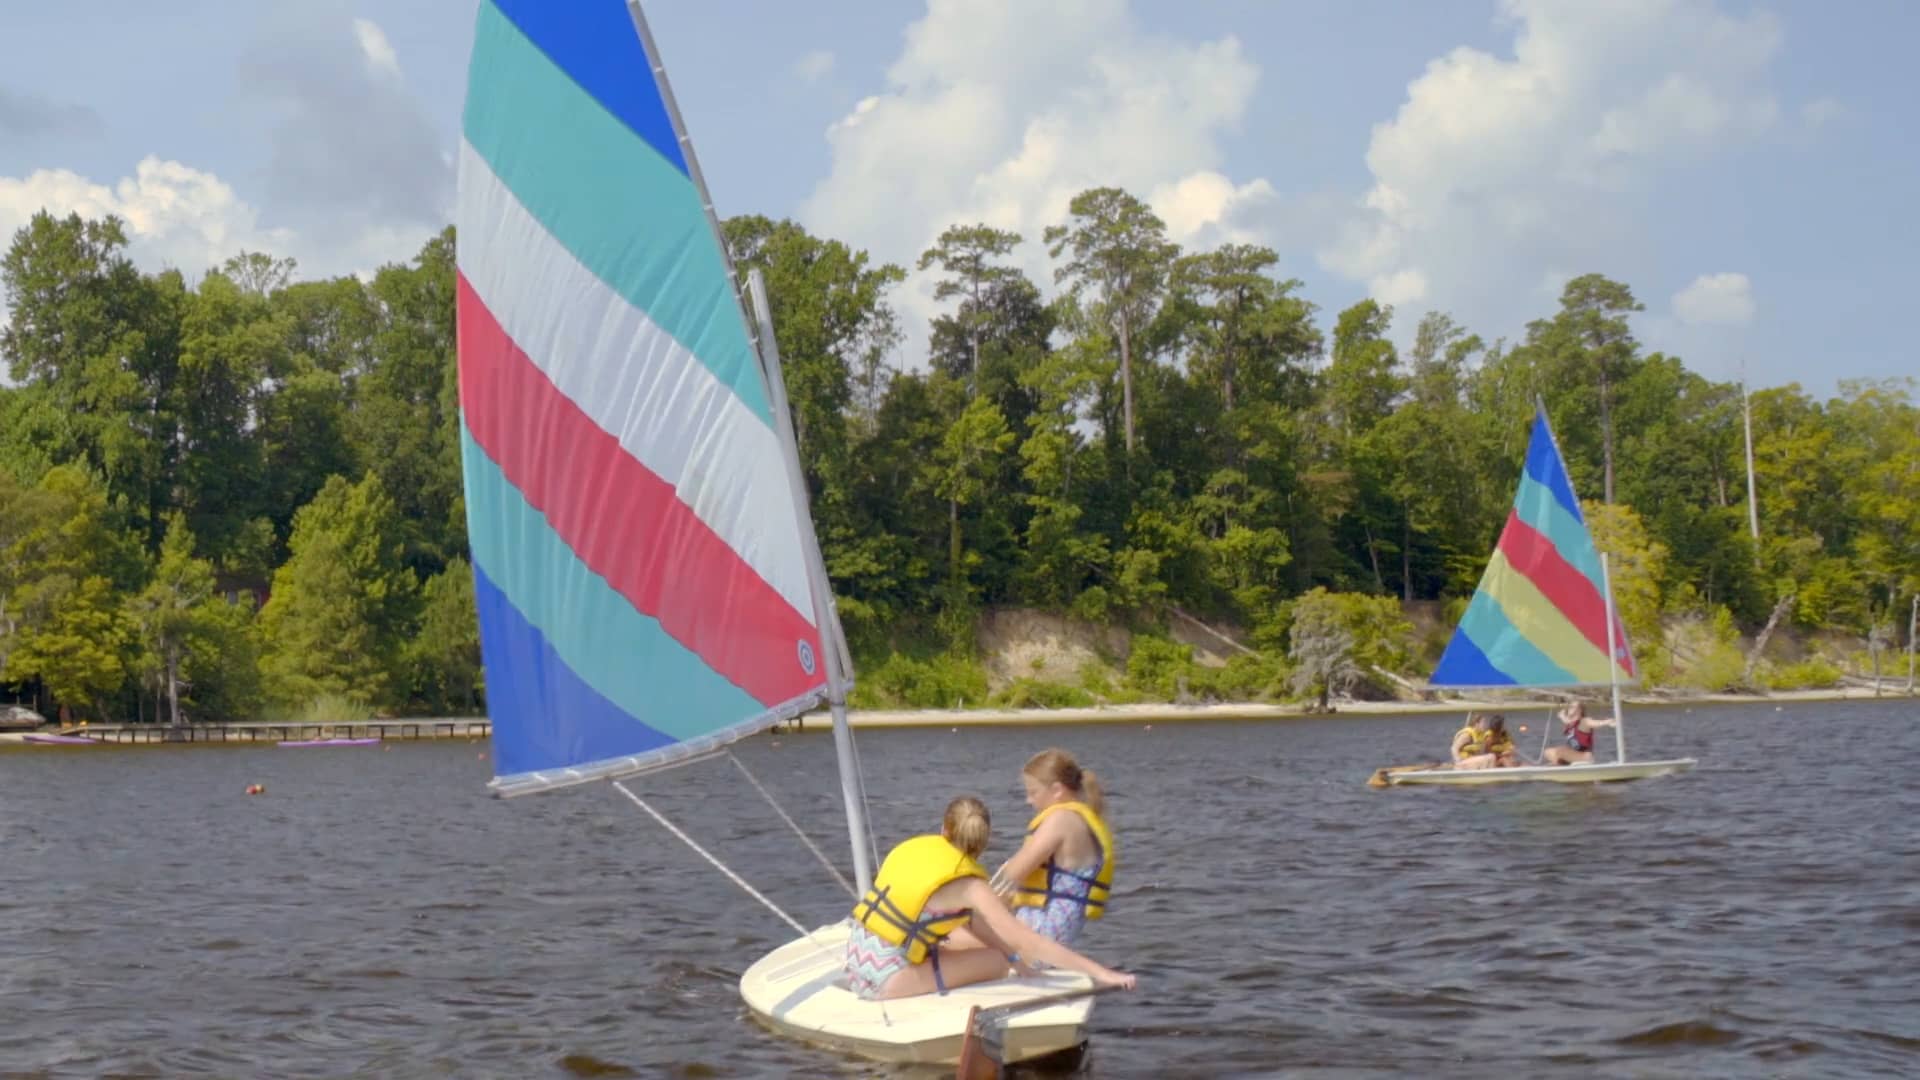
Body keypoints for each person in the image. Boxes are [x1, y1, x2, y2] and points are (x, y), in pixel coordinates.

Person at [842, 796, 1136, 1001]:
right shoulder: (971, 886)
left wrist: (1015, 959)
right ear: (985, 839)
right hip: (882, 981)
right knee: (995, 962)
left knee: (984, 946)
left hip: (855, 958)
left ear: (944, 829)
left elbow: (969, 922)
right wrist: (1101, 972)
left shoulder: (911, 848)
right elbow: (1027, 940)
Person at [988, 748, 1115, 948]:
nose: (1028, 800)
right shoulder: (1080, 818)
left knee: (953, 939)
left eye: (1033, 792)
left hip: (1042, 930)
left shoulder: (1061, 820)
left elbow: (1014, 873)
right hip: (1058, 928)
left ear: (1057, 790)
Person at [1543, 701, 1617, 765]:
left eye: (1572, 707)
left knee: (1561, 750)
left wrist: (1607, 722)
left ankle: (1558, 766)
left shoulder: (1584, 721)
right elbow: (1566, 720)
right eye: (1569, 706)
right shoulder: (1570, 723)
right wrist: (1562, 716)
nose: (1569, 708)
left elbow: (1594, 723)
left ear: (1580, 710)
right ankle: (1560, 766)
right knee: (1548, 752)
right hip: (1572, 755)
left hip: (1584, 756)